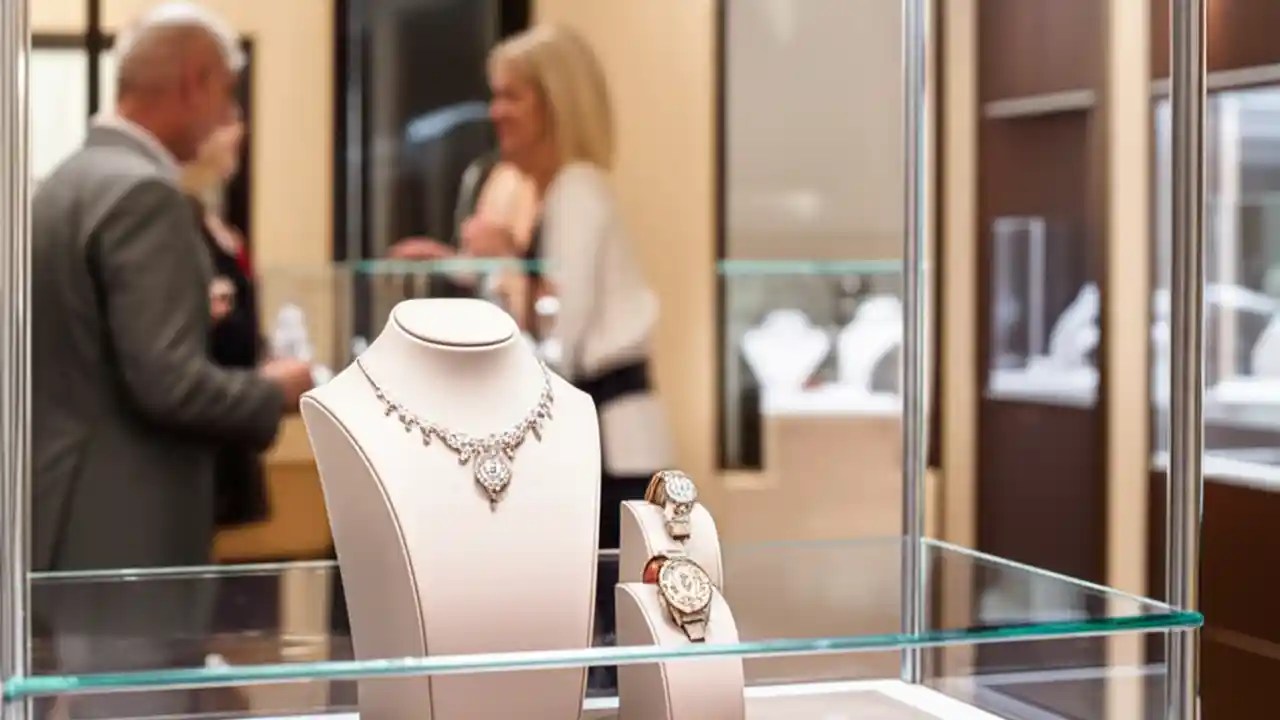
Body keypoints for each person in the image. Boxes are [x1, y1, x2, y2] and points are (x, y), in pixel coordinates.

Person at [31, 4, 312, 712]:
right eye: (223, 95)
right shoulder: (143, 195)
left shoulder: (68, 180)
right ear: (194, 81)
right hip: (128, 531)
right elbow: (167, 383)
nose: (224, 116)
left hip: (65, 517)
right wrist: (272, 391)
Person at [475, 24, 675, 688]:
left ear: (554, 102)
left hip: (615, 449)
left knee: (610, 635)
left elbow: (561, 340)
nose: (497, 112)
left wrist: (504, 260)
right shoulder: (563, 194)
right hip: (608, 441)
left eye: (514, 97)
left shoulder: (579, 191)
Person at [183, 114, 272, 527]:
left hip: (234, 414)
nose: (238, 131)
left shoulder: (216, 221)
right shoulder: (180, 217)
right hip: (203, 421)